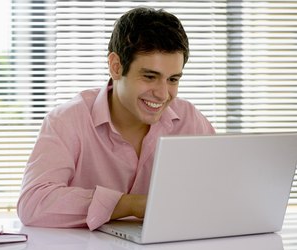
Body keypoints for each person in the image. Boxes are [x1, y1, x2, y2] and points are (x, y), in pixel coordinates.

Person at [17, 6, 215, 231]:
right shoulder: (67, 121)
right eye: (150, 76)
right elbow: (33, 203)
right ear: (116, 66)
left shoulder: (191, 122)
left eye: (173, 79)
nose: (162, 94)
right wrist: (130, 204)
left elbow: (220, 194)